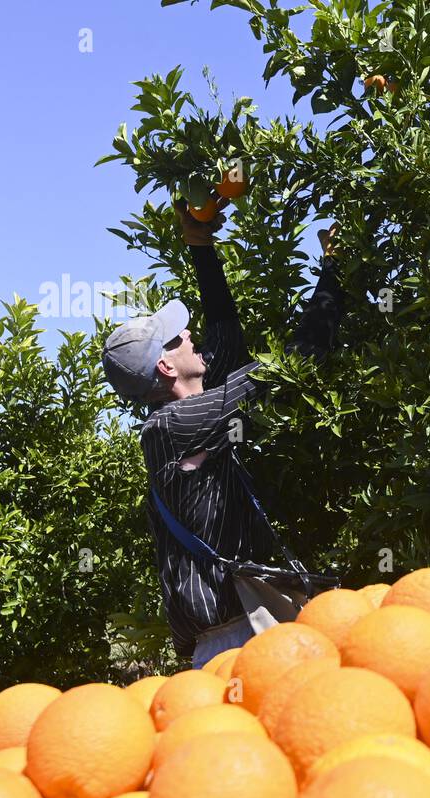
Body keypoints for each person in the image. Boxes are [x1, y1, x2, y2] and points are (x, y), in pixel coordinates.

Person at [101, 198, 345, 668]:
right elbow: (292, 361)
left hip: (248, 628)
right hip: (232, 642)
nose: (190, 335)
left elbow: (227, 340)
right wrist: (334, 268)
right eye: (177, 338)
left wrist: (201, 245)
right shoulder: (172, 427)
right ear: (166, 364)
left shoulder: (190, 414)